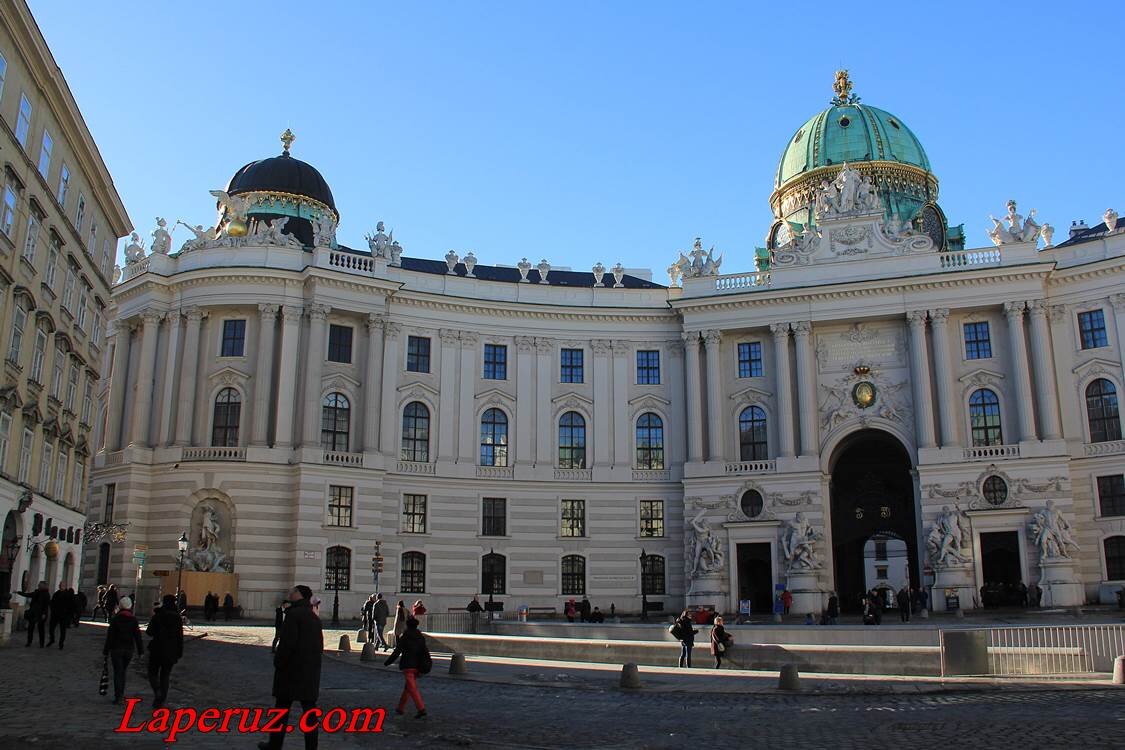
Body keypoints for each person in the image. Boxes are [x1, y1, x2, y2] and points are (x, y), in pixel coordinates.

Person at [259, 586, 323, 750]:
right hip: (309, 671)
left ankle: (275, 744)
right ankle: (311, 747)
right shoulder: (314, 616)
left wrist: (278, 662)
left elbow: (287, 644)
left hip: (291, 670)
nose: (290, 593)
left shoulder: (293, 615)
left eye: (293, 591)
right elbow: (319, 645)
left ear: (300, 595)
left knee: (281, 710)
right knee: (309, 712)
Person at [384, 617, 431, 718]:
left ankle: (421, 709)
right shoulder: (420, 637)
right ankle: (400, 708)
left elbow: (397, 652)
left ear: (407, 625)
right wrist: (427, 664)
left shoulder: (404, 637)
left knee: (412, 688)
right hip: (418, 665)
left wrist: (388, 662)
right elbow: (425, 651)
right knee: (408, 687)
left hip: (408, 665)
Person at [103, 596, 144, 704]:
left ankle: (118, 696)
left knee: (118, 672)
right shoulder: (133, 619)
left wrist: (106, 650)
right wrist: (141, 651)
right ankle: (121, 693)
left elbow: (110, 636)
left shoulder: (116, 619)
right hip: (128, 649)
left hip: (116, 649)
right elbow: (138, 636)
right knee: (123, 671)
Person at [147, 594, 184, 708]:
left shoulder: (158, 615)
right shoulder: (177, 617)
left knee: (152, 673)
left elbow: (149, 632)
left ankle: (157, 691)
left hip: (157, 648)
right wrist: (179, 652)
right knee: (165, 675)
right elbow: (180, 636)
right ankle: (161, 700)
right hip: (171, 650)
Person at [18, 581, 51, 648]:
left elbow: (46, 605)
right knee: (30, 628)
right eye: (39, 585)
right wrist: (19, 592)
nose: (38, 586)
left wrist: (44, 613)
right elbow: (29, 595)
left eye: (40, 585)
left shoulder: (46, 594)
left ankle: (41, 643)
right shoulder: (36, 592)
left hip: (41, 613)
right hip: (33, 613)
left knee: (41, 628)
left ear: (43, 586)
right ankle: (29, 642)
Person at [47, 582, 74, 649]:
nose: (60, 586)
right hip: (55, 614)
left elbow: (71, 605)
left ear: (65, 586)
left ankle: (61, 643)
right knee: (51, 628)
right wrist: (52, 610)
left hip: (64, 615)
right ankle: (52, 640)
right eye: (59, 585)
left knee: (63, 630)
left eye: (61, 585)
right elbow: (52, 603)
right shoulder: (56, 593)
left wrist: (69, 615)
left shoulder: (68, 594)